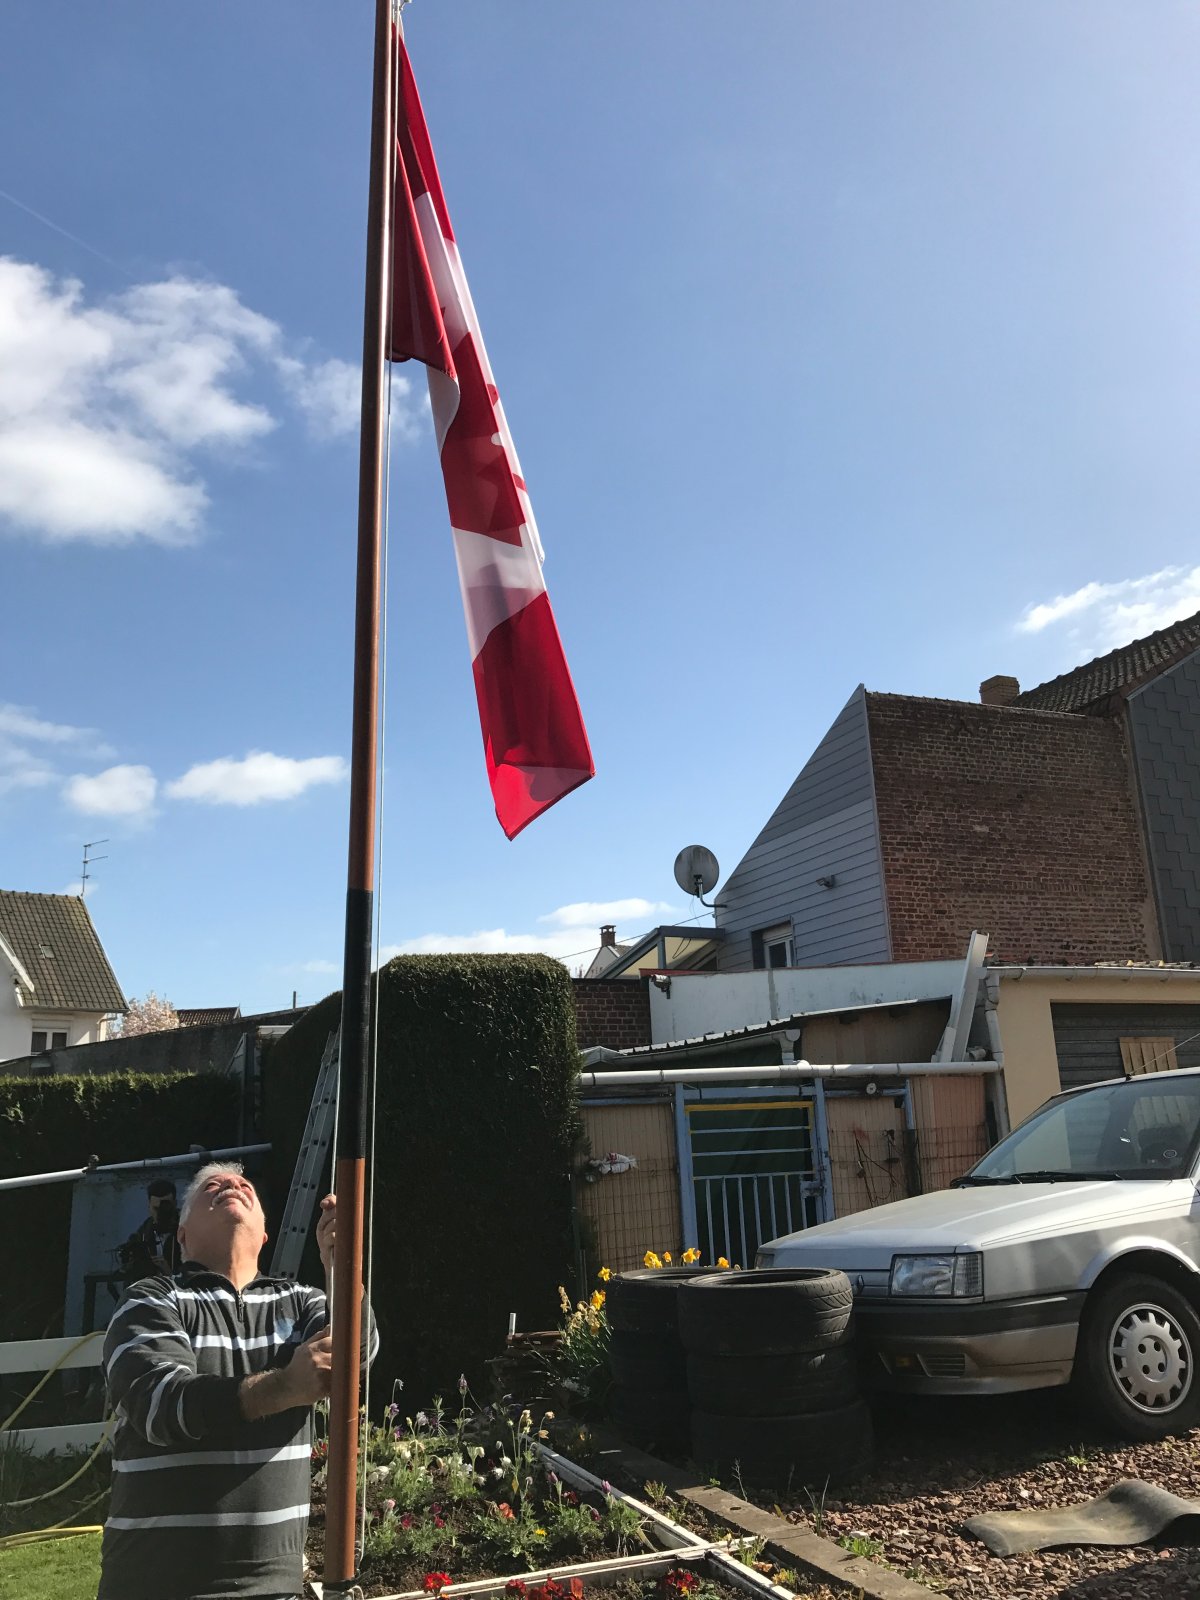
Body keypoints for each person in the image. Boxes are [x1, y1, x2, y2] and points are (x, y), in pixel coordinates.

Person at [99, 1162, 378, 1600]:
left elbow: (355, 1357)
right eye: (213, 1186)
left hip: (275, 1589)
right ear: (183, 1234)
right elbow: (161, 1404)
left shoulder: (303, 1303)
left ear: (265, 1233)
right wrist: (285, 1386)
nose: (231, 1185)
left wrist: (345, 1269)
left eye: (244, 1185)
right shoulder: (152, 1298)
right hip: (153, 1583)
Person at [117, 1176, 182, 1285]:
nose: (159, 1214)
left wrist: (170, 1273)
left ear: (174, 1204)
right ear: (149, 1206)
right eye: (155, 1209)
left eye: (164, 1208)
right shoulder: (143, 1234)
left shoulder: (188, 1232)